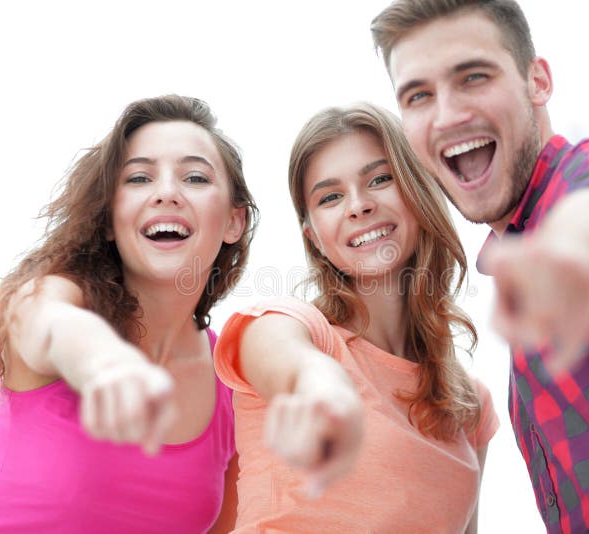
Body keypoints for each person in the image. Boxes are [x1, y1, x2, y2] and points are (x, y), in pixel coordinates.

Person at [371, 1, 589, 532]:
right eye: (419, 95)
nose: (446, 115)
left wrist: (574, 256)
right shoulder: (521, 275)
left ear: (537, 81)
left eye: (473, 76)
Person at [0, 94, 257, 533]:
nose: (167, 193)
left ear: (234, 221)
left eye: (194, 177)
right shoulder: (53, 297)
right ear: (110, 218)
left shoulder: (230, 385)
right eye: (138, 178)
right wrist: (101, 360)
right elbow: (52, 326)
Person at [213, 102, 498, 532]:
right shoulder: (287, 326)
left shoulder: (469, 406)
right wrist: (319, 386)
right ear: (314, 237)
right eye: (330, 197)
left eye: (380, 179)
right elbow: (288, 363)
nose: (358, 205)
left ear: (417, 192)